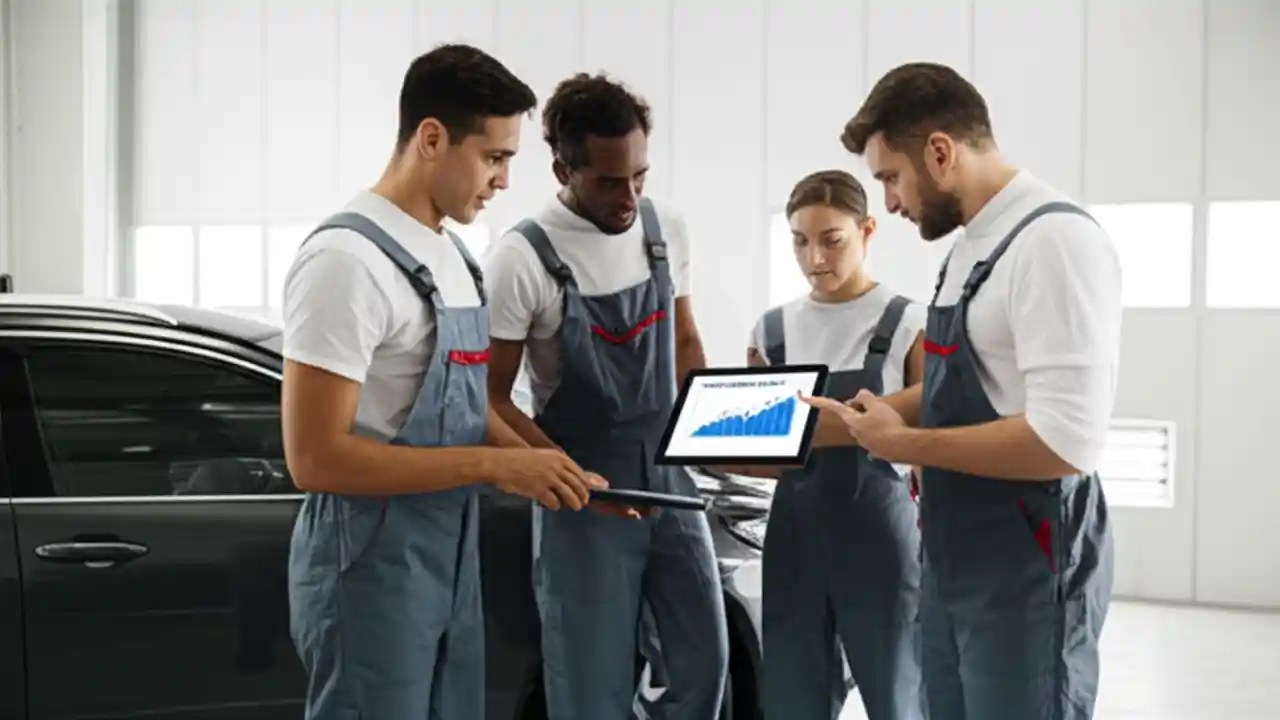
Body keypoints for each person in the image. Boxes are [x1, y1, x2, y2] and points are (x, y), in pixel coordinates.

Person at [280, 44, 607, 719]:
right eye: (495, 158)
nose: (504, 181)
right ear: (431, 138)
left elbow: (460, 406)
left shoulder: (454, 255)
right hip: (369, 563)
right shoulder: (346, 262)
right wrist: (494, 465)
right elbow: (314, 459)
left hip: (448, 554)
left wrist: (549, 470)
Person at [801, 62, 1121, 720]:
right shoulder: (971, 249)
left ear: (940, 152)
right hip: (952, 556)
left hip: (1026, 564)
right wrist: (855, 417)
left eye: (890, 177)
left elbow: (1067, 440)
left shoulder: (1053, 243)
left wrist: (906, 442)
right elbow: (962, 385)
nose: (888, 202)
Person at [484, 72, 729, 719]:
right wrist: (565, 474)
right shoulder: (522, 259)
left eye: (640, 176)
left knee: (704, 662)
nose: (630, 196)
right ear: (563, 168)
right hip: (581, 494)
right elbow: (490, 401)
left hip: (671, 473)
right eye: (610, 182)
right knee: (591, 686)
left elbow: (684, 343)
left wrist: (722, 436)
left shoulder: (663, 227)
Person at [735, 169, 926, 720]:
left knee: (898, 695)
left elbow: (927, 440)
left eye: (831, 240)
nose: (815, 258)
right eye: (799, 241)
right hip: (795, 539)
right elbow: (764, 456)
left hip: (883, 541)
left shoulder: (908, 322)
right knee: (794, 697)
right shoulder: (771, 332)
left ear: (867, 230)